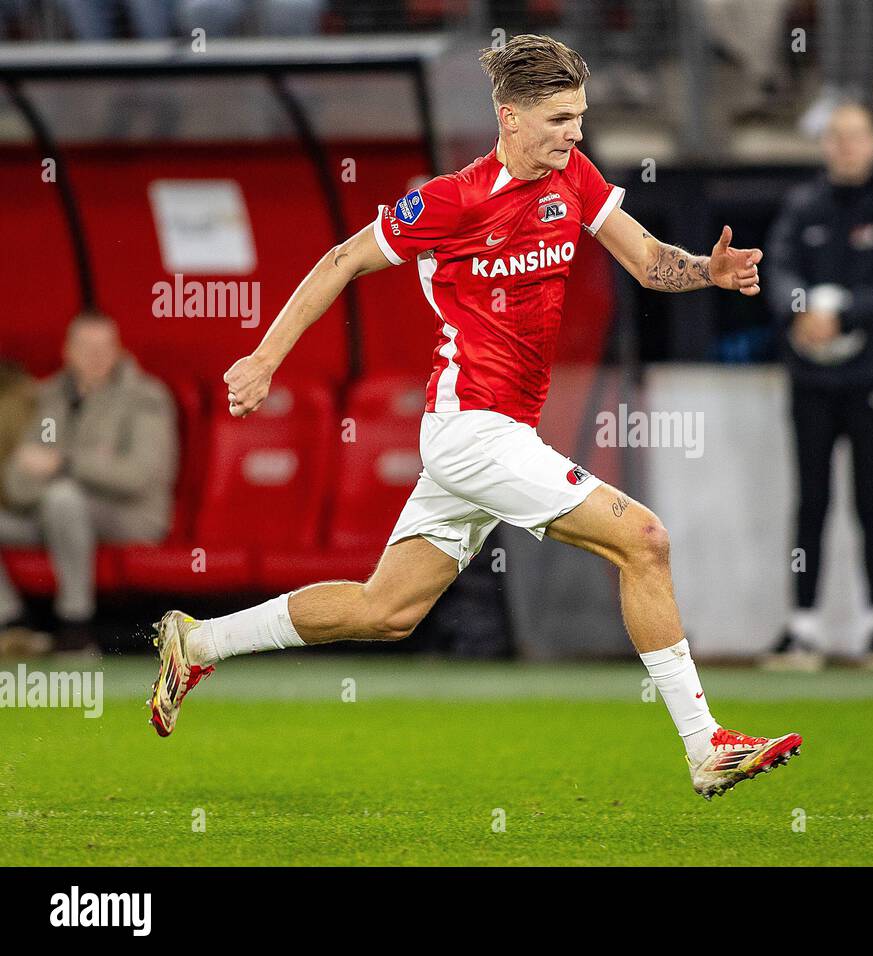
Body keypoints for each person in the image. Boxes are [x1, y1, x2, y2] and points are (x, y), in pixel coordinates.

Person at [148, 33, 802, 800]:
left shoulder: (576, 178)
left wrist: (707, 273)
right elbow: (342, 260)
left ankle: (196, 642)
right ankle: (706, 745)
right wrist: (263, 359)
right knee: (644, 539)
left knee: (386, 611)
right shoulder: (453, 200)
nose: (575, 133)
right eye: (559, 118)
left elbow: (648, 258)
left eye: (580, 117)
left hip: (501, 435)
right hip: (469, 431)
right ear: (509, 117)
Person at [763, 102, 873, 669]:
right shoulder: (804, 206)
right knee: (811, 500)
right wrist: (800, 310)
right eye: (835, 137)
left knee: (870, 499)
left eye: (855, 136)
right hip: (811, 377)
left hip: (872, 376)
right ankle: (803, 629)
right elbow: (777, 269)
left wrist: (843, 315)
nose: (845, 147)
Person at [0, 313, 178, 649]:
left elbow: (136, 476)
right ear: (67, 351)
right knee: (59, 500)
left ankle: (75, 625)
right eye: (86, 347)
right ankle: (11, 625)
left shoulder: (146, 397)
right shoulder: (45, 397)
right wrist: (39, 483)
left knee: (63, 498)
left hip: (129, 517)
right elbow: (18, 476)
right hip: (50, 511)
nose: (95, 356)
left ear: (118, 350)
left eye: (104, 347)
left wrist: (63, 463)